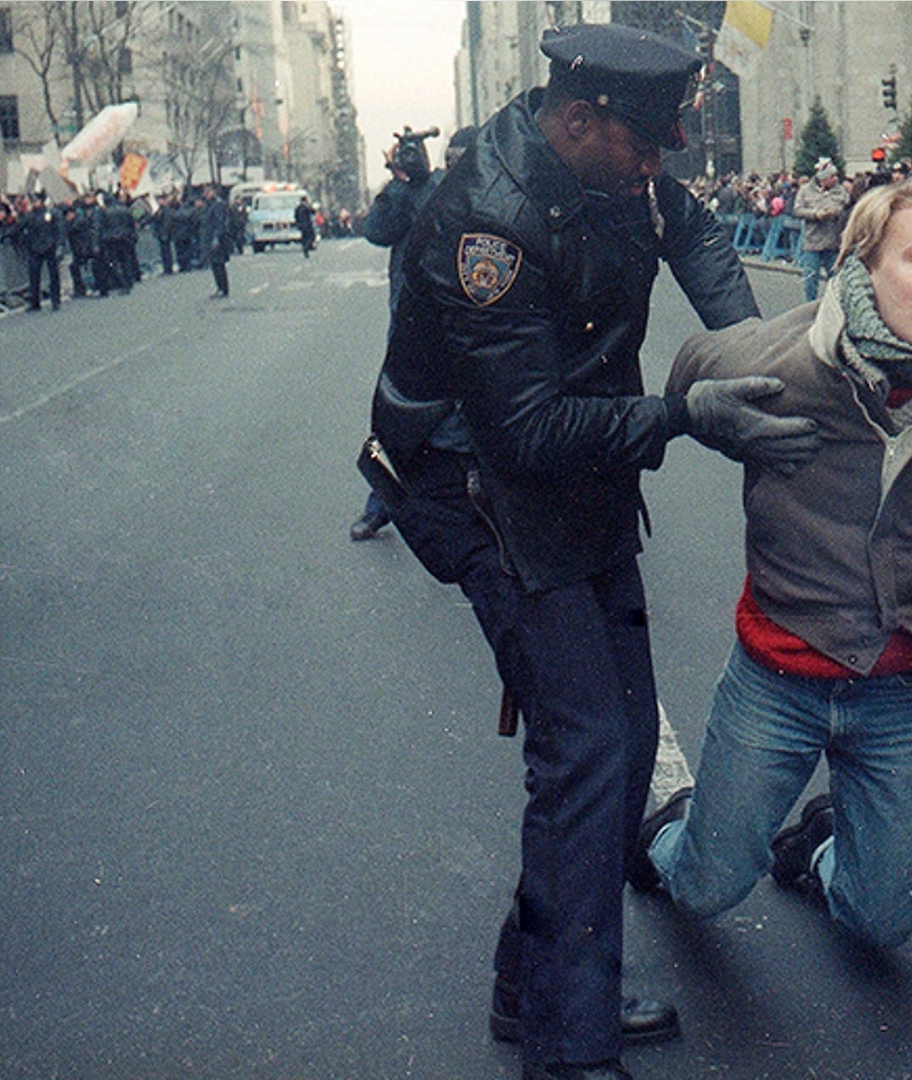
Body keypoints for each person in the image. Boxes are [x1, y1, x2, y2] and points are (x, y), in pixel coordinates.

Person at [366, 24, 817, 1080]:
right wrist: (688, 414)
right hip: (475, 485)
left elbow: (697, 238)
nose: (661, 169)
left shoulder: (624, 164)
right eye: (650, 148)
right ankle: (568, 1049)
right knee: (584, 752)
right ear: (580, 119)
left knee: (616, 733)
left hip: (577, 473)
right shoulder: (488, 221)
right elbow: (521, 432)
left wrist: (755, 360)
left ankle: (534, 982)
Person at [636, 175, 912, 950]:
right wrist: (721, 426)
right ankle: (670, 827)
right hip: (778, 679)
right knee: (704, 890)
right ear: (862, 267)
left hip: (901, 691)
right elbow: (691, 369)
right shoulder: (785, 361)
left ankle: (817, 845)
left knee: (880, 922)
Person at [352, 125, 475, 543]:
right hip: (414, 323)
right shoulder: (413, 190)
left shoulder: (461, 189)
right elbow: (375, 230)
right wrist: (399, 182)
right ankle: (381, 503)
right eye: (453, 158)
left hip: (473, 320)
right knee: (402, 418)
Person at [790, 158, 849, 302]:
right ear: (823, 179)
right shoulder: (805, 191)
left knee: (835, 279)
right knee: (811, 278)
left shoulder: (840, 191)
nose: (836, 179)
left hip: (832, 242)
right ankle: (810, 304)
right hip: (813, 242)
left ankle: (836, 305)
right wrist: (815, 214)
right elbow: (797, 211)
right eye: (832, 176)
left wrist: (835, 212)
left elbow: (846, 206)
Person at [9, 195, 65, 312]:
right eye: (33, 201)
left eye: (36, 201)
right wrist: (7, 233)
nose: (34, 203)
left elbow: (59, 230)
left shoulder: (52, 213)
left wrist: (60, 245)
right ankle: (35, 302)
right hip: (35, 248)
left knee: (53, 275)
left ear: (41, 202)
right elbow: (18, 228)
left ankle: (56, 300)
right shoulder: (30, 216)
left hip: (50, 247)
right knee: (34, 277)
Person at [197, 184, 232, 298]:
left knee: (219, 264)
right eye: (205, 192)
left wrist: (216, 238)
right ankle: (220, 287)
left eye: (208, 192)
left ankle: (223, 288)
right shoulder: (208, 205)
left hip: (217, 239)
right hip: (209, 238)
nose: (205, 194)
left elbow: (219, 222)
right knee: (214, 264)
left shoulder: (217, 204)